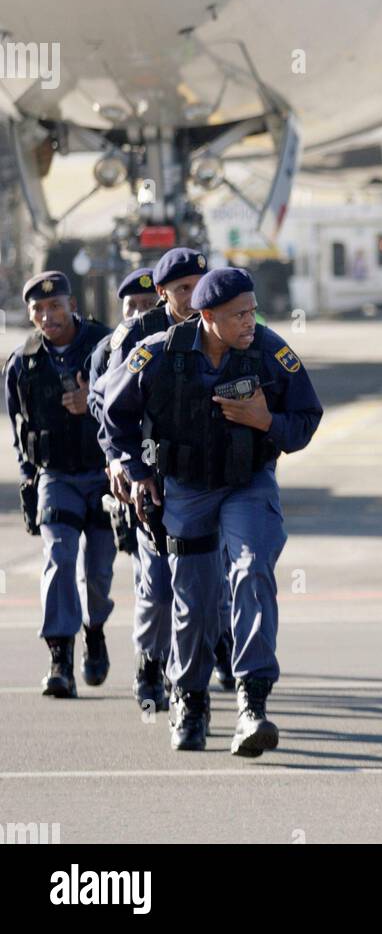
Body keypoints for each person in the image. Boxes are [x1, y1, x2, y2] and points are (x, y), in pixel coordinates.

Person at [103, 267, 323, 755]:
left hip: (248, 484)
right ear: (206, 317)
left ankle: (252, 700)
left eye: (252, 310)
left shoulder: (269, 351)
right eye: (238, 315)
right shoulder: (159, 353)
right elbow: (113, 412)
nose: (250, 321)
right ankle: (190, 699)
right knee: (195, 602)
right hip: (185, 492)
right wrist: (132, 469)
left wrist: (267, 421)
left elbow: (307, 417)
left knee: (251, 571)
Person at [4, 271, 112, 697]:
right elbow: (19, 430)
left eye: (55, 306)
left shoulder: (105, 345)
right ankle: (60, 657)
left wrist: (94, 402)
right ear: (30, 314)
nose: (47, 316)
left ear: (72, 305)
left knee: (99, 572)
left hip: (104, 476)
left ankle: (96, 630)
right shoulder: (23, 361)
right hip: (56, 476)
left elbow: (134, 402)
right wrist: (27, 481)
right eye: (38, 309)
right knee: (59, 557)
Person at [88, 268, 171, 712]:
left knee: (192, 583)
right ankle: (149, 663)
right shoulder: (110, 349)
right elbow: (103, 411)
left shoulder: (182, 338)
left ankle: (181, 668)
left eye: (145, 305)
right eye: (130, 307)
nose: (138, 314)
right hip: (135, 481)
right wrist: (119, 462)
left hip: (179, 476)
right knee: (151, 581)